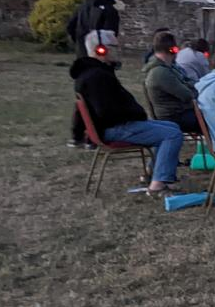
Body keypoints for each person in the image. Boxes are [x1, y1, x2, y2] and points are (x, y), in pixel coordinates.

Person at [72, 30, 183, 194]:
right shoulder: (97, 77)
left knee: (172, 126)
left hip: (112, 126)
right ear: (101, 49)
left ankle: (155, 173)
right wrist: (135, 115)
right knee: (171, 135)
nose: (119, 50)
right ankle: (158, 184)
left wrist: (77, 134)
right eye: (114, 47)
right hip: (115, 128)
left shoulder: (92, 73)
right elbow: (107, 112)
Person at [66, 0, 122, 147]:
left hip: (83, 58)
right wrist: (105, 54)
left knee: (84, 96)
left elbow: (71, 26)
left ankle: (77, 136)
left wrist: (81, 47)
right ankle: (94, 137)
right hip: (100, 59)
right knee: (101, 98)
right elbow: (108, 36)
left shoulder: (85, 4)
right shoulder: (107, 9)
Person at [142, 30, 200, 133]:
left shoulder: (169, 68)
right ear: (173, 50)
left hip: (177, 113)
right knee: (213, 118)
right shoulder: (161, 72)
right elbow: (187, 95)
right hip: (174, 117)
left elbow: (187, 81)